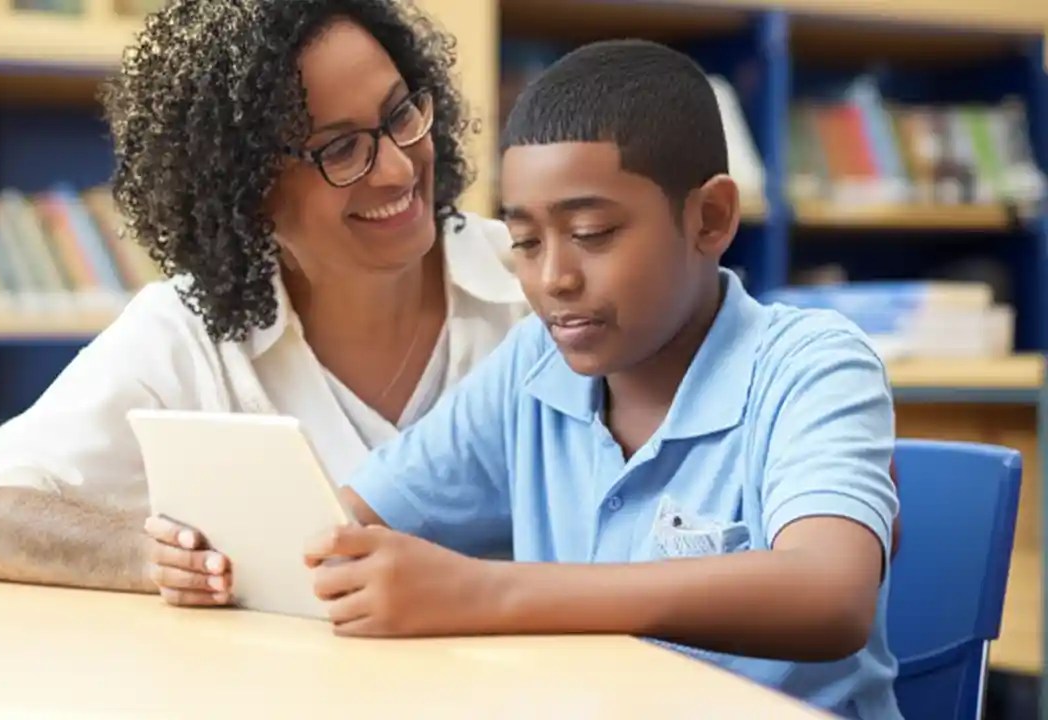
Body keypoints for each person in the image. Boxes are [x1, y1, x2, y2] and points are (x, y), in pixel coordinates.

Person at [302, 39, 902, 719]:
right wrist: (208, 556)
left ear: (710, 218)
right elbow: (338, 526)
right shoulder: (533, 366)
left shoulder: (813, 366)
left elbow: (830, 594)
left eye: (591, 232)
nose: (553, 277)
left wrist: (485, 593)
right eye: (525, 243)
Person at [0, 0, 528, 598]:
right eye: (341, 149)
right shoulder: (189, 331)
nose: (397, 170)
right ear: (245, 189)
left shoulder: (537, 286)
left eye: (400, 116)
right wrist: (147, 557)